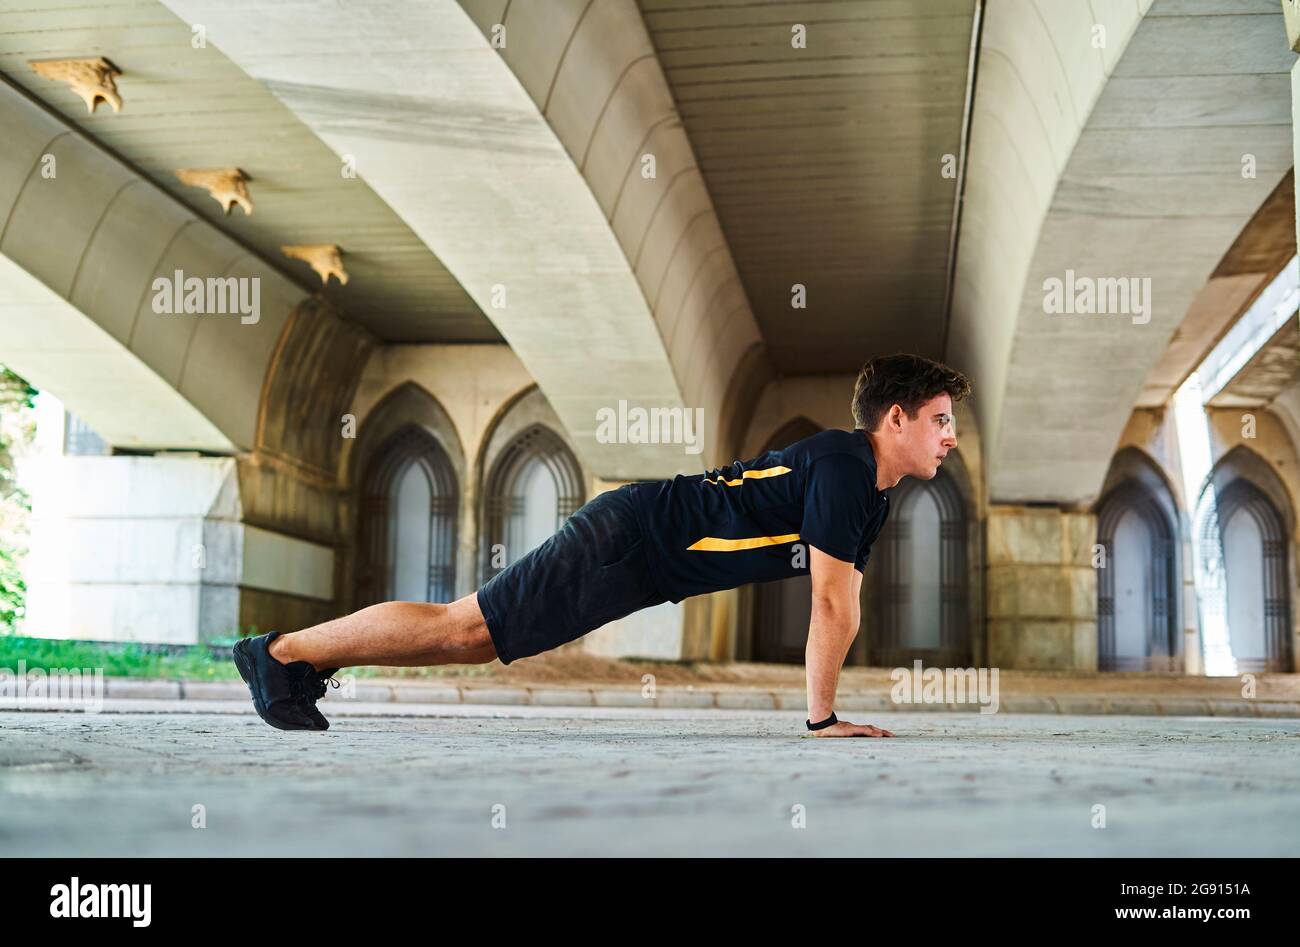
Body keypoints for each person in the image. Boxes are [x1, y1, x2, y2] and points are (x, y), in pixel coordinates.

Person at [234, 353, 970, 737]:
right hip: (629, 537)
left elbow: (843, 604)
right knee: (465, 626)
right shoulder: (845, 468)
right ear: (895, 418)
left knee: (476, 641)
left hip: (642, 562)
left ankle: (295, 662)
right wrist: (823, 719)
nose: (951, 435)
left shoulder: (867, 488)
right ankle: (279, 655)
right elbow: (832, 604)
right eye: (939, 419)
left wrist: (826, 708)